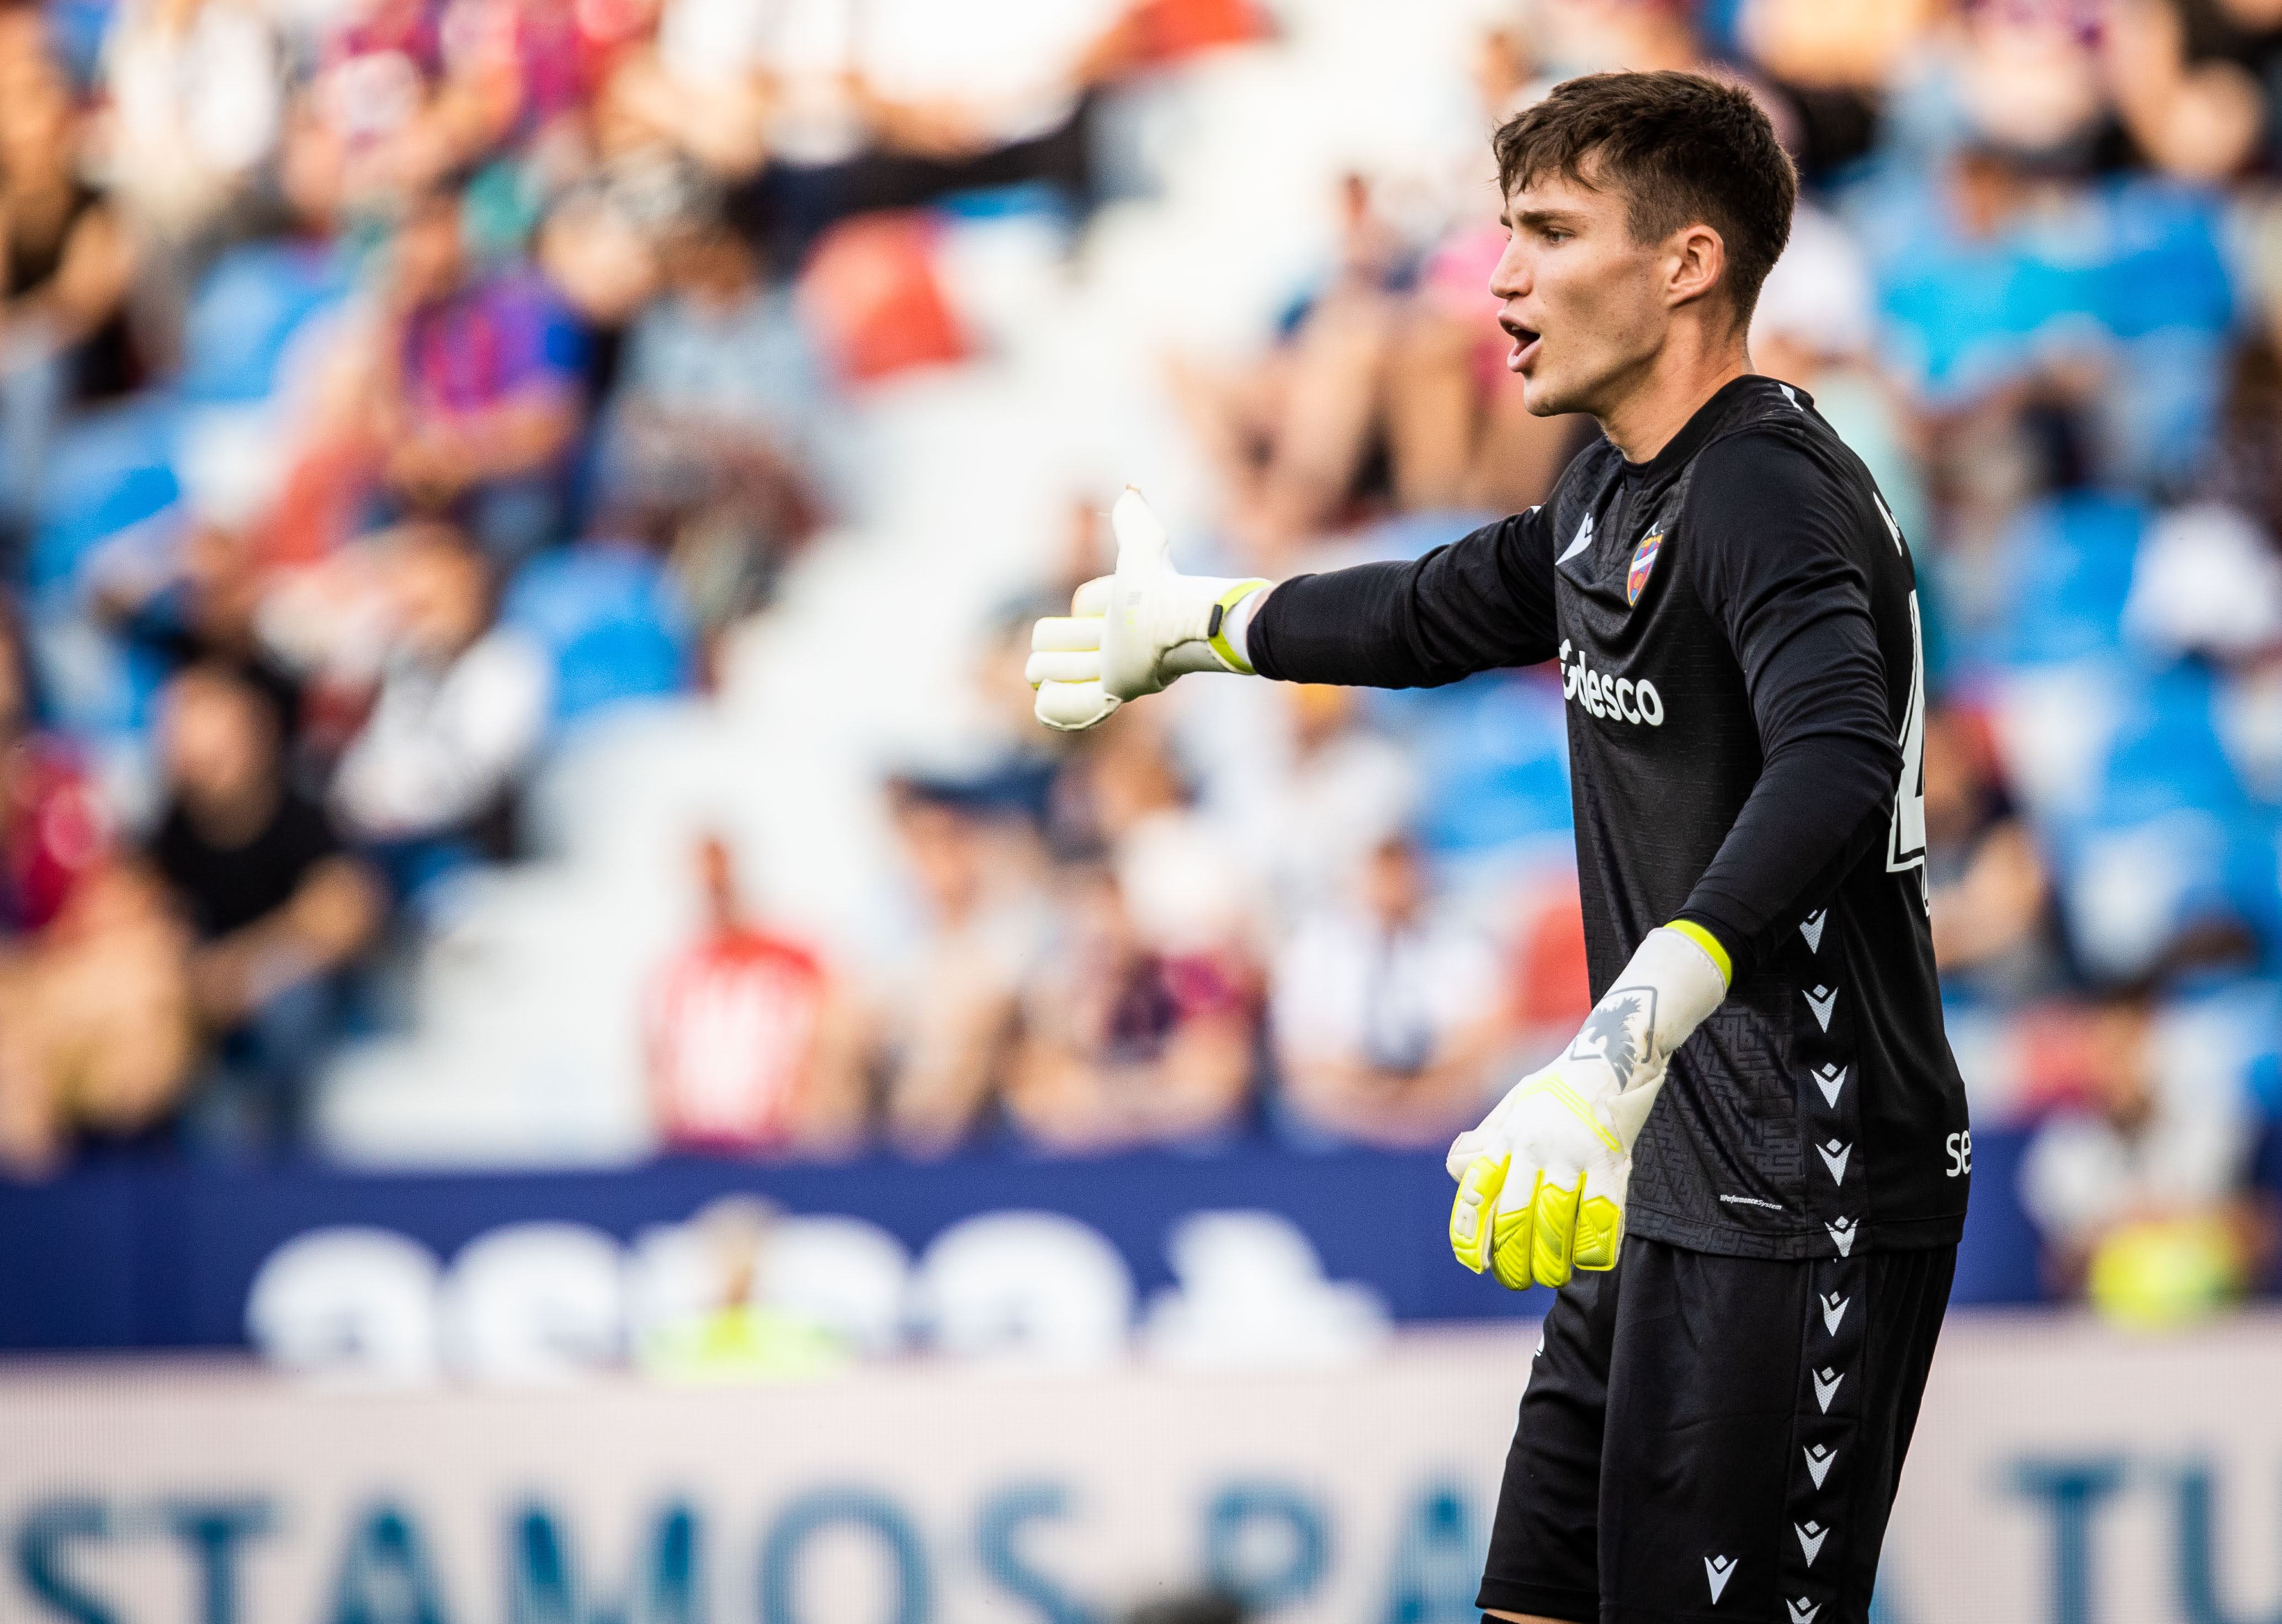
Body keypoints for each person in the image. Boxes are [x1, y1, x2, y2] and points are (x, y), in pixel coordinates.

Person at [1027, 72, 1967, 1624]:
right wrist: (1200, 625)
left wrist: (1625, 1029)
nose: (1499, 278)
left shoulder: (1768, 492)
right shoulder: (1610, 475)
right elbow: (1439, 605)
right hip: (1659, 1155)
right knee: (1529, 1598)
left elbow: (1833, 761)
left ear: (1684, 264)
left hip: (1804, 1185)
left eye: (1543, 233)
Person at [148, 662, 385, 1150]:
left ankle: (284, 1165)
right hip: (203, 1014)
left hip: (289, 1008)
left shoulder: (303, 818)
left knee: (292, 1001)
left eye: (212, 738)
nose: (191, 752)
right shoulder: (166, 836)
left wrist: (238, 973)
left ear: (253, 738)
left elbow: (347, 914)